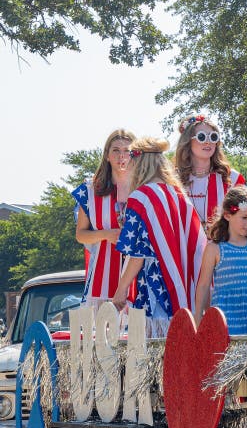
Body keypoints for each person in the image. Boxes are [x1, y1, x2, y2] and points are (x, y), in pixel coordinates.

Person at [112, 137, 205, 337]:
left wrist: (121, 289)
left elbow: (138, 253)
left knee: (156, 351)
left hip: (156, 286)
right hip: (182, 283)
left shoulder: (140, 197)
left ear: (138, 163)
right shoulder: (178, 194)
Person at [195, 186, 247, 337]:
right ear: (228, 215)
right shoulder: (214, 248)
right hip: (223, 322)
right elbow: (203, 285)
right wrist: (197, 320)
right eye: (244, 218)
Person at [73, 129, 136, 307]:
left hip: (140, 274)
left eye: (127, 151)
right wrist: (106, 234)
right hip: (103, 272)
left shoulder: (145, 188)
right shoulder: (91, 190)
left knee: (137, 329)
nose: (121, 156)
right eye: (116, 150)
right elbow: (81, 235)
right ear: (107, 155)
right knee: (103, 329)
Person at [174, 114, 246, 231]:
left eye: (213, 137)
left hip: (222, 247)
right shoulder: (172, 179)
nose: (208, 142)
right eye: (201, 137)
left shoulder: (232, 178)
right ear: (187, 142)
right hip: (184, 248)